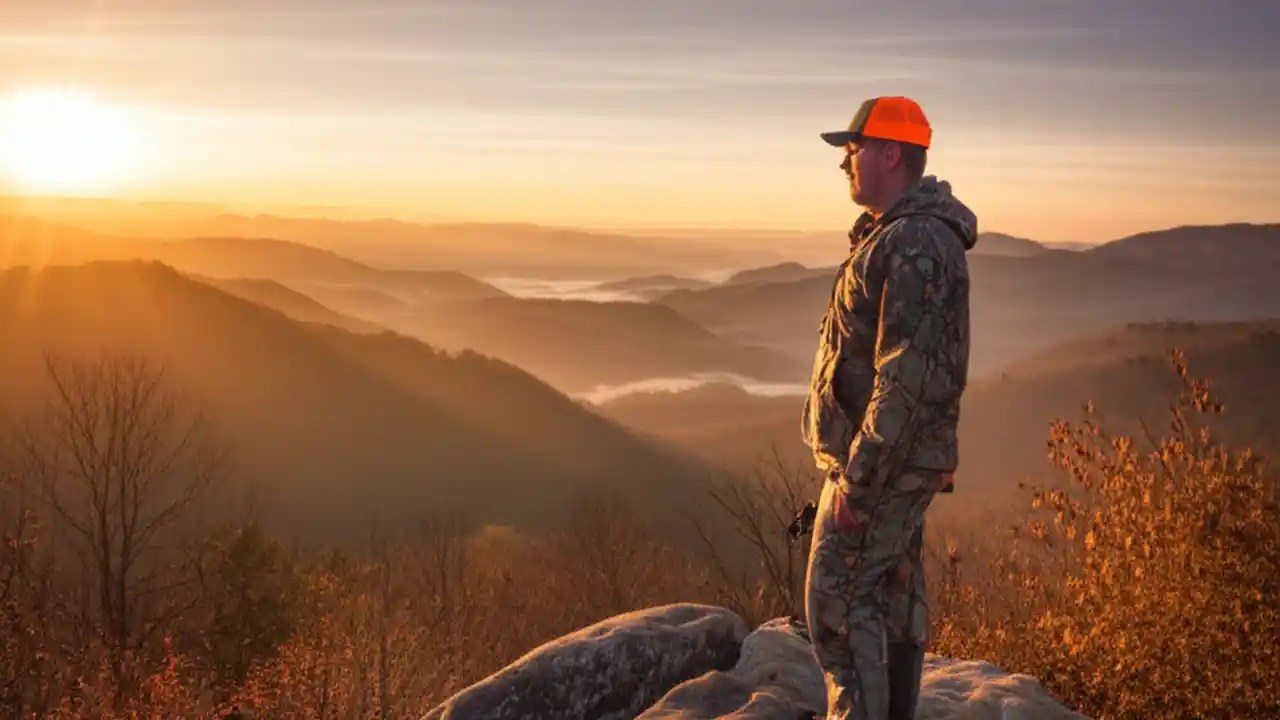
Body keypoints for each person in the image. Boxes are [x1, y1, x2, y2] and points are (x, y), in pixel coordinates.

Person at [801, 96, 977, 720]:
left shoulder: (916, 241)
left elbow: (907, 377)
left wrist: (859, 480)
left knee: (838, 605)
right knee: (892, 601)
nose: (844, 161)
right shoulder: (900, 236)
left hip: (879, 467)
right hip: (893, 462)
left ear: (890, 153)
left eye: (853, 148)